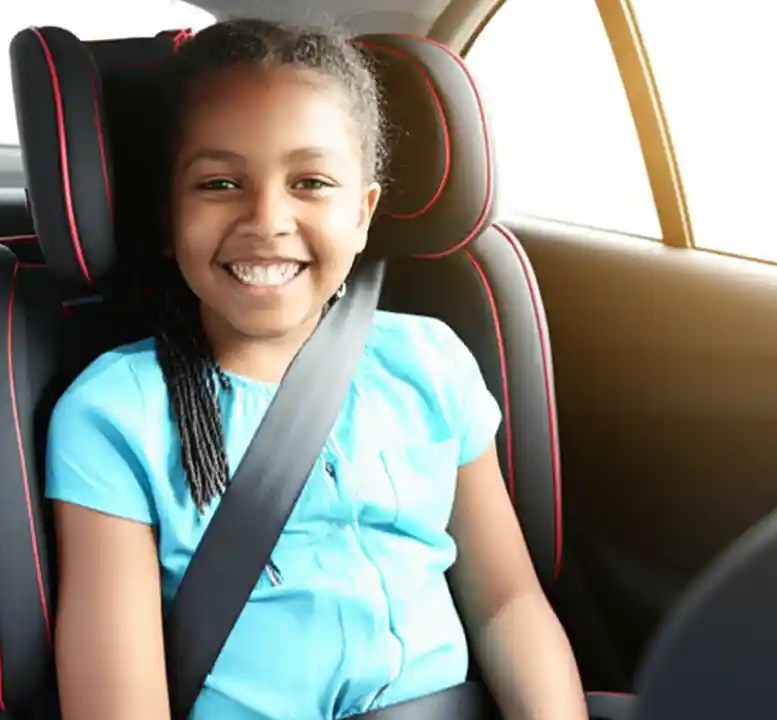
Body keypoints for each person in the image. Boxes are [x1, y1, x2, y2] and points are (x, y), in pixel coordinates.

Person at [45, 18, 589, 720]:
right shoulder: (116, 416)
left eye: (310, 182)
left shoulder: (430, 364)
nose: (267, 219)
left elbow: (507, 602)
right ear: (169, 216)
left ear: (363, 215)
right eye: (220, 183)